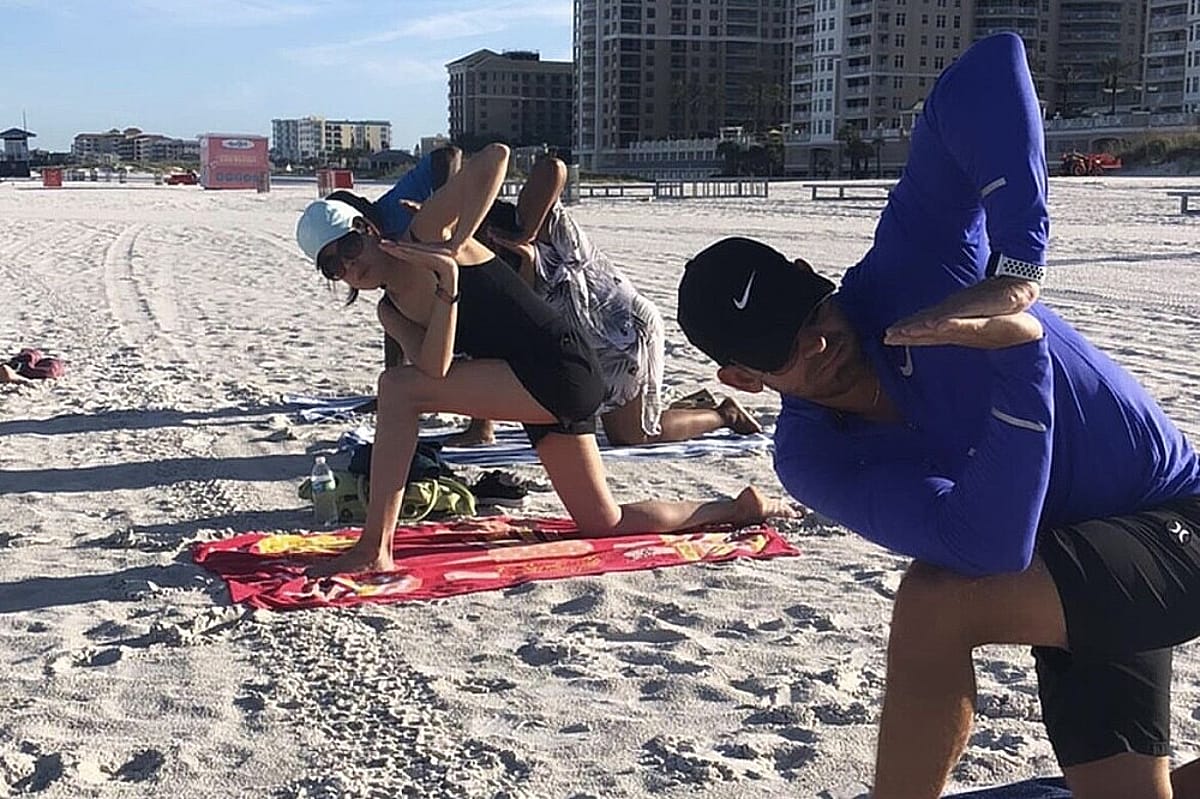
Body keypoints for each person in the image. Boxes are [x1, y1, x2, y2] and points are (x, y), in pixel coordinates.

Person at [676, 33, 1200, 799]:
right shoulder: (813, 456)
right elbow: (985, 543)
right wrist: (1020, 358)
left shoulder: (912, 267)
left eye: (810, 310)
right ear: (742, 378)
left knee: (932, 603)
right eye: (784, 348)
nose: (818, 342)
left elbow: (992, 66)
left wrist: (1017, 268)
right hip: (1067, 553)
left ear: (812, 278)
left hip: (1172, 515)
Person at [295, 142, 793, 577]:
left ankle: (375, 546)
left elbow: (495, 157)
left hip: (560, 367)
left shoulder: (425, 231)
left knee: (396, 388)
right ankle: (737, 506)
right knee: (604, 523)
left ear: (366, 226)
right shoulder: (390, 309)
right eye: (332, 265)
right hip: (525, 384)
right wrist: (447, 281)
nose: (349, 265)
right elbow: (436, 373)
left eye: (350, 245)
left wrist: (454, 242)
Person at [448, 155, 762, 447]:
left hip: (623, 332)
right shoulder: (491, 274)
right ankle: (687, 406)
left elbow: (553, 168)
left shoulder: (536, 223)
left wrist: (526, 234)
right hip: (587, 348)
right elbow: (498, 340)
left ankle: (724, 414)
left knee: (633, 437)